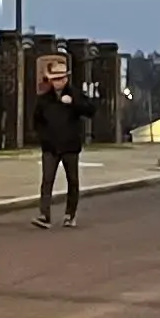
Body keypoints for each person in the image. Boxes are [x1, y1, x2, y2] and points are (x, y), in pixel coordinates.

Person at [32, 61, 92, 227]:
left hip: (70, 145)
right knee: (47, 180)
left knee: (72, 180)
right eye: (55, 79)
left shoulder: (75, 95)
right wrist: (43, 138)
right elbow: (37, 120)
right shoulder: (44, 99)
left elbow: (90, 110)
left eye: (61, 78)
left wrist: (73, 103)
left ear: (66, 79)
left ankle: (69, 214)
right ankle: (44, 215)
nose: (58, 82)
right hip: (50, 146)